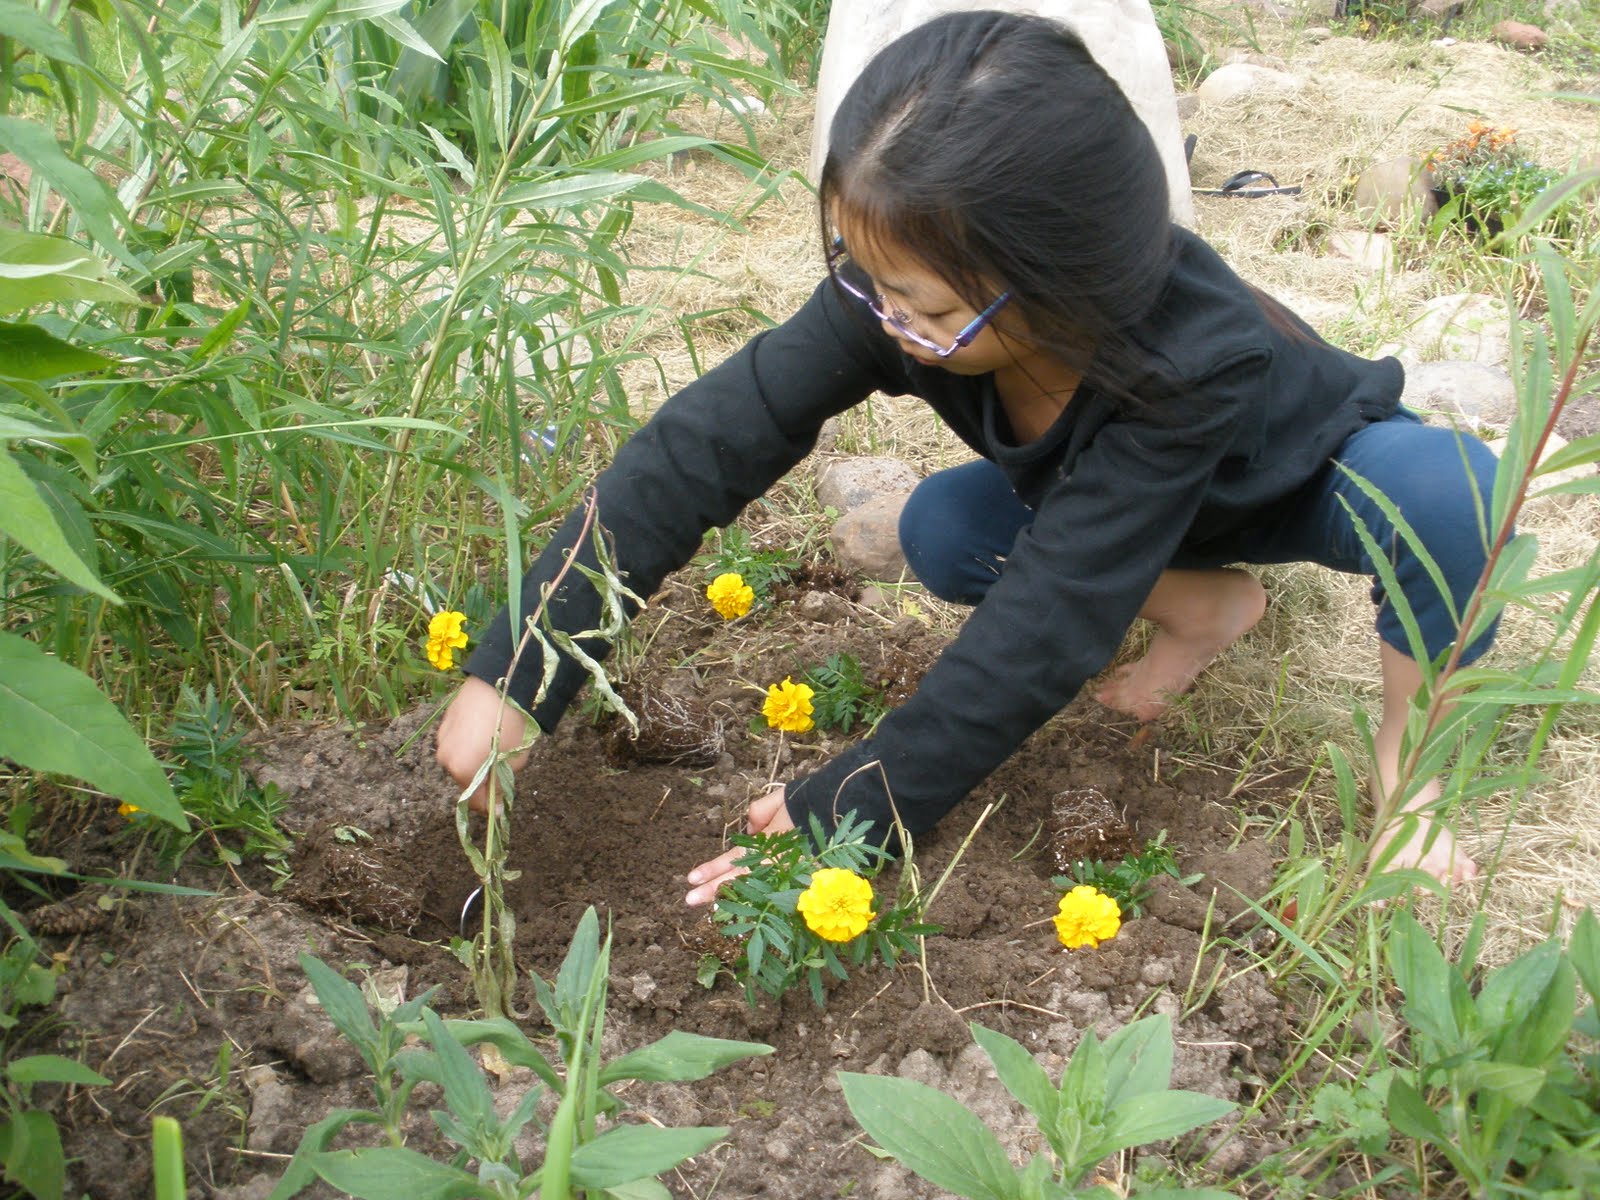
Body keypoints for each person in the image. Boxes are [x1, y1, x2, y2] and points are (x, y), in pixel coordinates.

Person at [436, 10, 1498, 907]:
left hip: (1290, 482)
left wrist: (864, 798)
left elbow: (1052, 621)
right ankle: (1206, 607)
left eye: (929, 310)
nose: (889, 321)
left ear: (1066, 282)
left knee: (1450, 496)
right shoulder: (899, 281)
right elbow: (711, 438)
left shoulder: (1191, 352)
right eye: (865, 278)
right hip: (1119, 507)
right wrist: (524, 666)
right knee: (944, 533)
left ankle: (1411, 782)